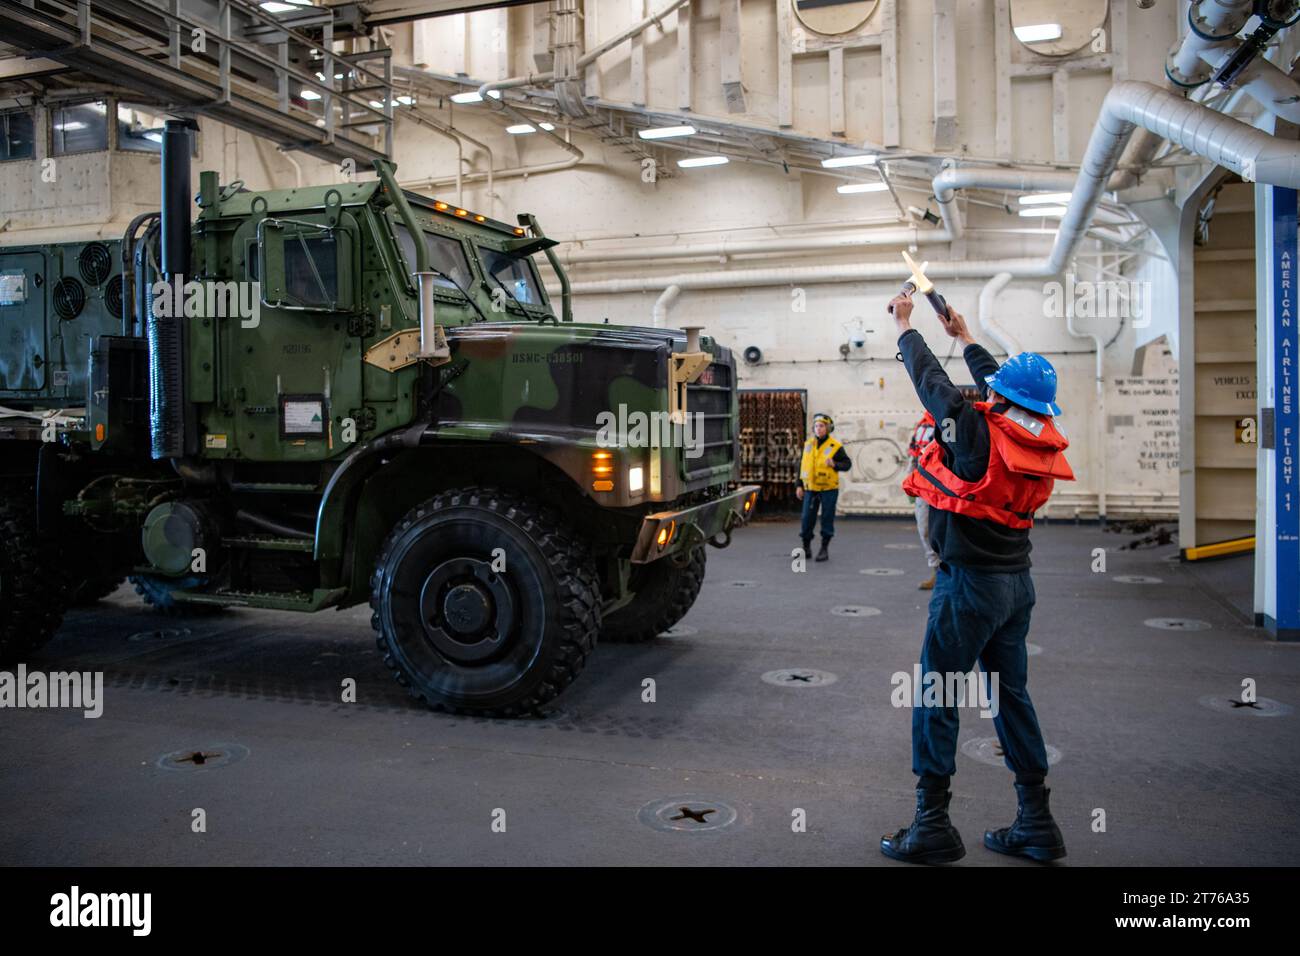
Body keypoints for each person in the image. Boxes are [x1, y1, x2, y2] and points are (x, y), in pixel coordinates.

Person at [879, 289, 1075, 865]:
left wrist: (905, 326)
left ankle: (932, 824)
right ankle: (1037, 823)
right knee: (1009, 694)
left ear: (1001, 396)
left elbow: (930, 384)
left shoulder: (972, 432)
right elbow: (995, 382)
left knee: (937, 693)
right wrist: (963, 335)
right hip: (1017, 586)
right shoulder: (1034, 431)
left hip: (967, 587)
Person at [796, 412, 852, 562]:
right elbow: (801, 466)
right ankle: (806, 547)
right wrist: (799, 485)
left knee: (827, 519)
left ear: (828, 428)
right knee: (807, 519)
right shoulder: (808, 445)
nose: (818, 429)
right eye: (816, 426)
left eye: (821, 426)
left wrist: (835, 464)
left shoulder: (835, 447)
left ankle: (824, 549)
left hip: (829, 489)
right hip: (810, 488)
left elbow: (847, 464)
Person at [906, 410, 941, 589]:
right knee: (924, 528)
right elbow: (913, 455)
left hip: (945, 487)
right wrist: (909, 480)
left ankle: (950, 574)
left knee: (948, 530)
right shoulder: (922, 426)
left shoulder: (950, 421)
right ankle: (936, 570)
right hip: (923, 486)